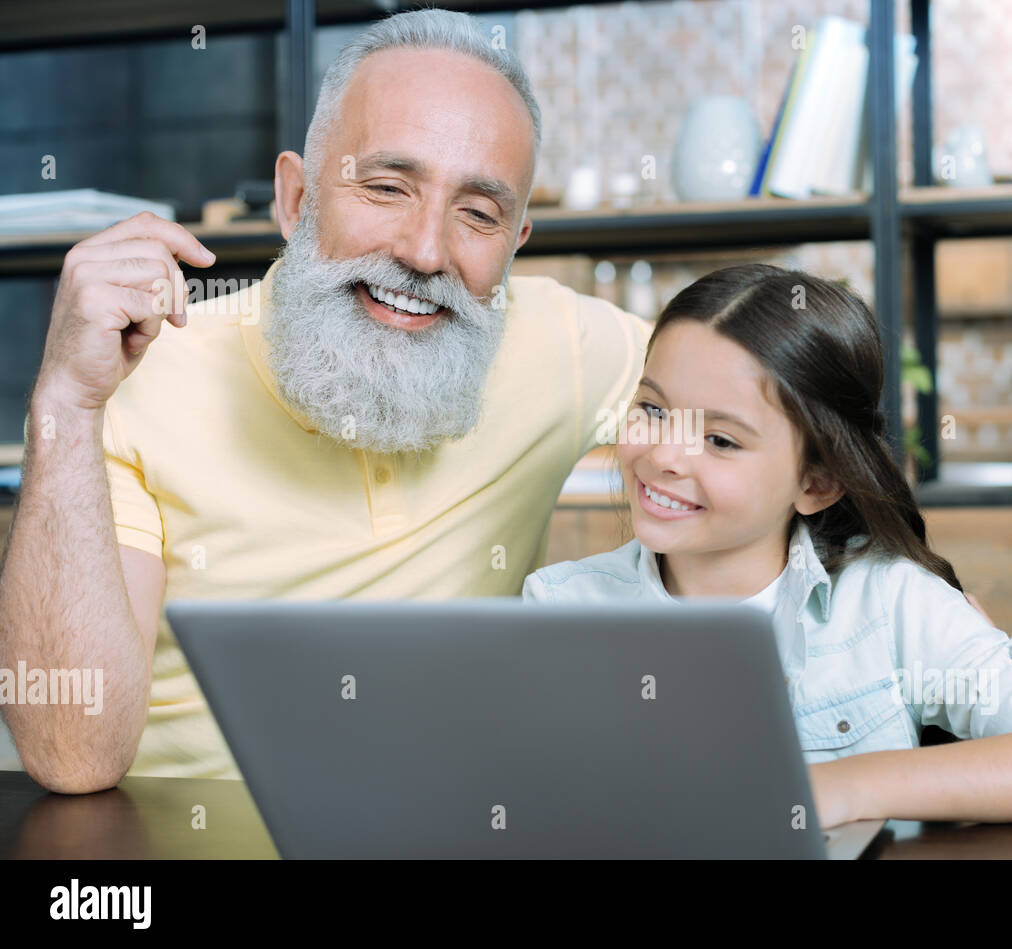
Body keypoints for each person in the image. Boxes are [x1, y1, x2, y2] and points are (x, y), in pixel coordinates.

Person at [0, 9, 648, 791]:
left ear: (515, 243)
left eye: (478, 213)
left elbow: (784, 399)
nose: (425, 250)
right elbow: (73, 754)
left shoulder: (560, 343)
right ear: (296, 197)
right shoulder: (140, 376)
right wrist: (66, 403)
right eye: (385, 187)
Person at [523, 264, 1012, 827]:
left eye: (721, 440)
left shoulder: (886, 604)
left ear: (817, 481)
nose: (662, 456)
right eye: (654, 410)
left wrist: (837, 789)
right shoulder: (560, 609)